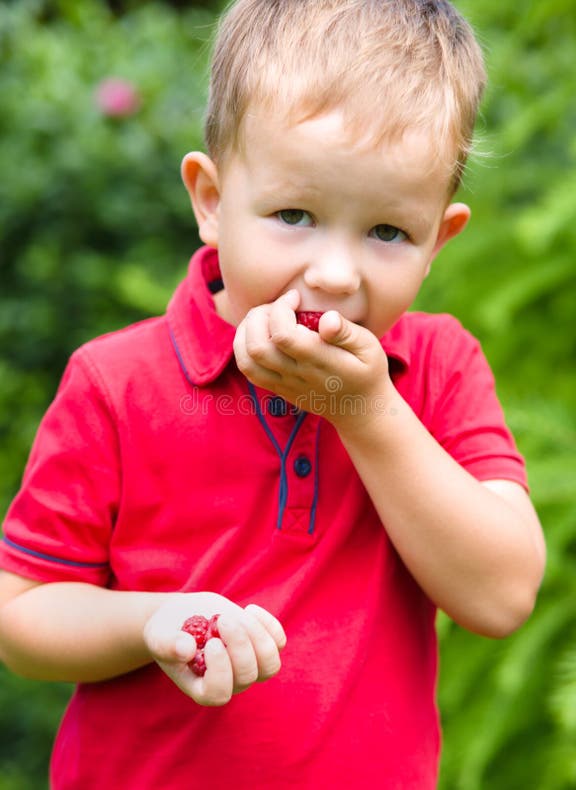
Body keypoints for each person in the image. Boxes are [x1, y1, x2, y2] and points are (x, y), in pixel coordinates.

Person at [0, 1, 546, 787]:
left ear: (439, 239)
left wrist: (366, 413)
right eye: (295, 215)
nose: (334, 274)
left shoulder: (437, 369)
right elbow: (22, 620)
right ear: (212, 200)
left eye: (389, 232)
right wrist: (153, 620)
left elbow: (500, 597)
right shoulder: (115, 383)